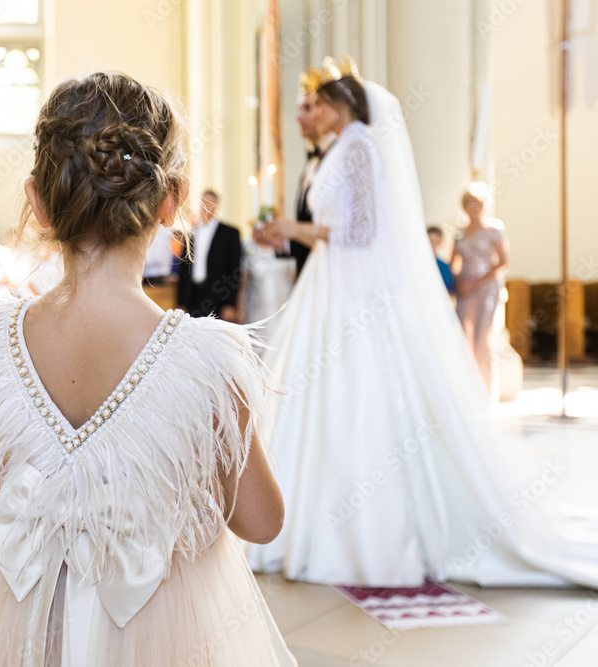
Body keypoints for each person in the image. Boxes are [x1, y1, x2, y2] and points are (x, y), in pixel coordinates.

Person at [0, 71, 296, 666]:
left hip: (25, 627)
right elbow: (260, 520)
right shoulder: (206, 361)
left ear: (38, 201)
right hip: (168, 633)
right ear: (171, 202)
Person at [246, 56, 597, 589]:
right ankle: (300, 520)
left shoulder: (359, 143)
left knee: (355, 396)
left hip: (349, 286)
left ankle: (358, 531)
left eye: (317, 105)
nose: (310, 114)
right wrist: (293, 231)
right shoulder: (341, 147)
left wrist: (292, 227)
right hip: (330, 282)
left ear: (341, 106)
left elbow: (359, 231)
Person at [251, 82, 333, 280]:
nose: (298, 117)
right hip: (311, 273)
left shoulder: (335, 163)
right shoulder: (311, 165)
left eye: (307, 108)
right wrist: (283, 241)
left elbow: (340, 235)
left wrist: (293, 230)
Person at [452, 187, 509, 400]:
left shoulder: (494, 229)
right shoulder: (460, 232)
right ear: (465, 207)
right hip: (466, 289)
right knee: (465, 337)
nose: (473, 208)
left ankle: (486, 393)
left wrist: (478, 282)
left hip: (487, 289)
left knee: (482, 337)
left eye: (477, 204)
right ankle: (467, 391)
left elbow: (503, 262)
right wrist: (460, 282)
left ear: (483, 206)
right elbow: (454, 262)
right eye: (469, 204)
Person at [176, 190, 242, 320]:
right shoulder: (191, 233)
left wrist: (230, 303)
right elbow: (184, 268)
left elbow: (234, 269)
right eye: (203, 202)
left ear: (216, 205)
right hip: (193, 295)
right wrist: (181, 302)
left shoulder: (229, 233)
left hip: (218, 295)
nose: (206, 206)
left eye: (209, 202)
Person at [427, 225, 455, 294]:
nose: (432, 245)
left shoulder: (444, 267)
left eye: (435, 241)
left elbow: (449, 289)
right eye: (430, 241)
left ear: (440, 242)